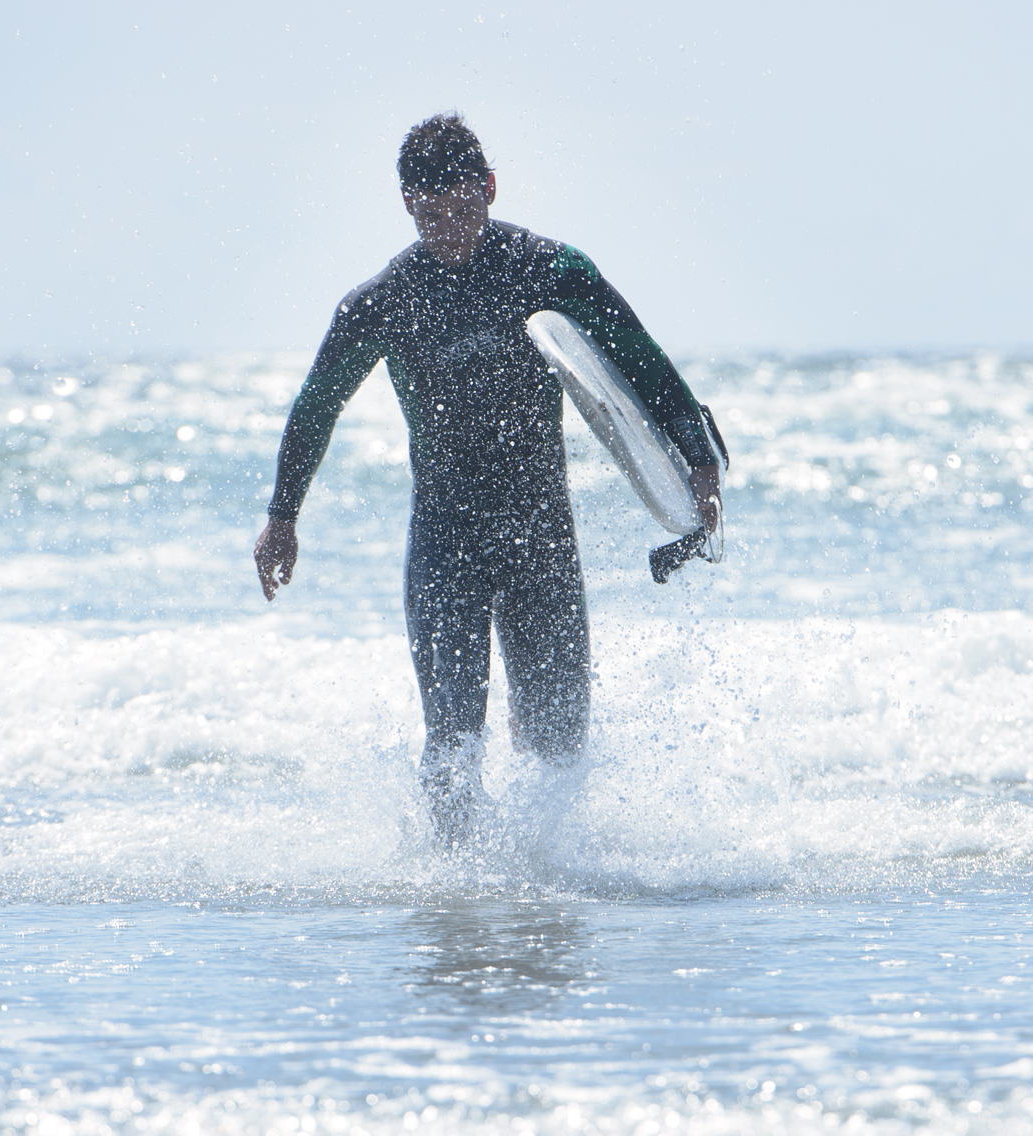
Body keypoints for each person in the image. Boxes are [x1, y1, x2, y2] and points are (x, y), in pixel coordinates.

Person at [251, 112, 721, 842]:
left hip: (541, 537)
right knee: (452, 741)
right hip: (445, 540)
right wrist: (284, 516)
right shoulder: (383, 301)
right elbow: (318, 404)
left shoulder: (549, 269)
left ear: (492, 189)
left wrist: (698, 460)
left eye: (464, 208)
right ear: (407, 204)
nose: (450, 229)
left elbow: (640, 360)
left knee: (558, 745)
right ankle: (455, 905)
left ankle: (547, 893)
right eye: (432, 214)